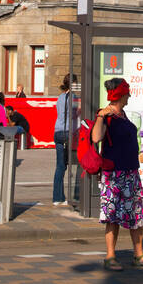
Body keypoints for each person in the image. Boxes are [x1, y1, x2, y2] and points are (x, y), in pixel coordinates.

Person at [92, 77, 143, 270]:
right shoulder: (107, 115)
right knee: (112, 216)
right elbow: (96, 137)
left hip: (130, 172)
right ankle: (110, 257)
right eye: (127, 92)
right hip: (114, 174)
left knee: (137, 215)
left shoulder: (122, 114)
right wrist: (100, 116)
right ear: (121, 94)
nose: (130, 95)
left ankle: (139, 255)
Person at [53, 75, 79, 206]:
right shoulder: (74, 98)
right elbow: (76, 115)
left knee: (60, 166)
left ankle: (57, 198)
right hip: (69, 133)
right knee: (78, 164)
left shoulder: (60, 97)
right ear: (73, 84)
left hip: (58, 132)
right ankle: (77, 195)